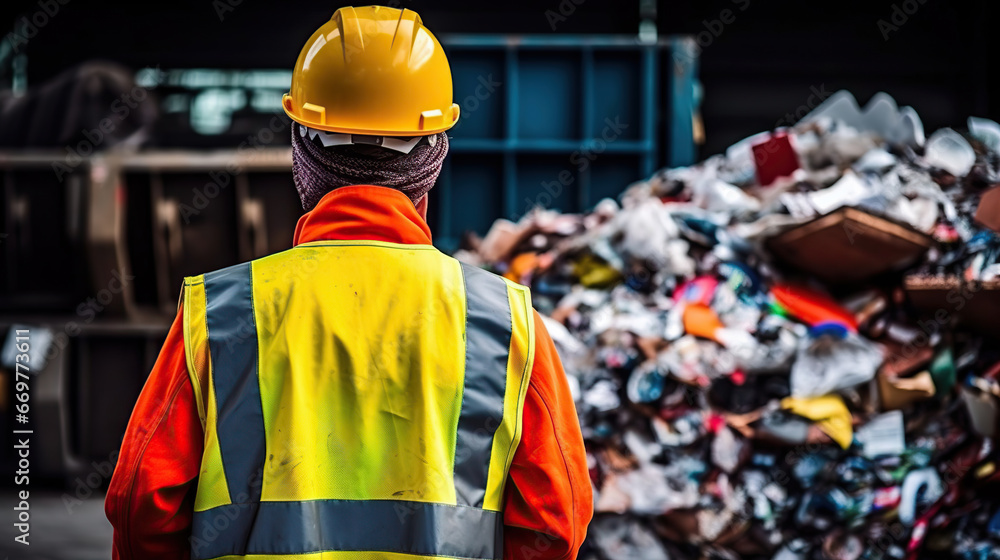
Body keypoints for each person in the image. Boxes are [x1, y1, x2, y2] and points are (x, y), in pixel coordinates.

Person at [105, 6, 592, 560]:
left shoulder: (221, 313)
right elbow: (555, 519)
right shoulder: (505, 322)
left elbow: (142, 504)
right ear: (433, 156)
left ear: (302, 154)